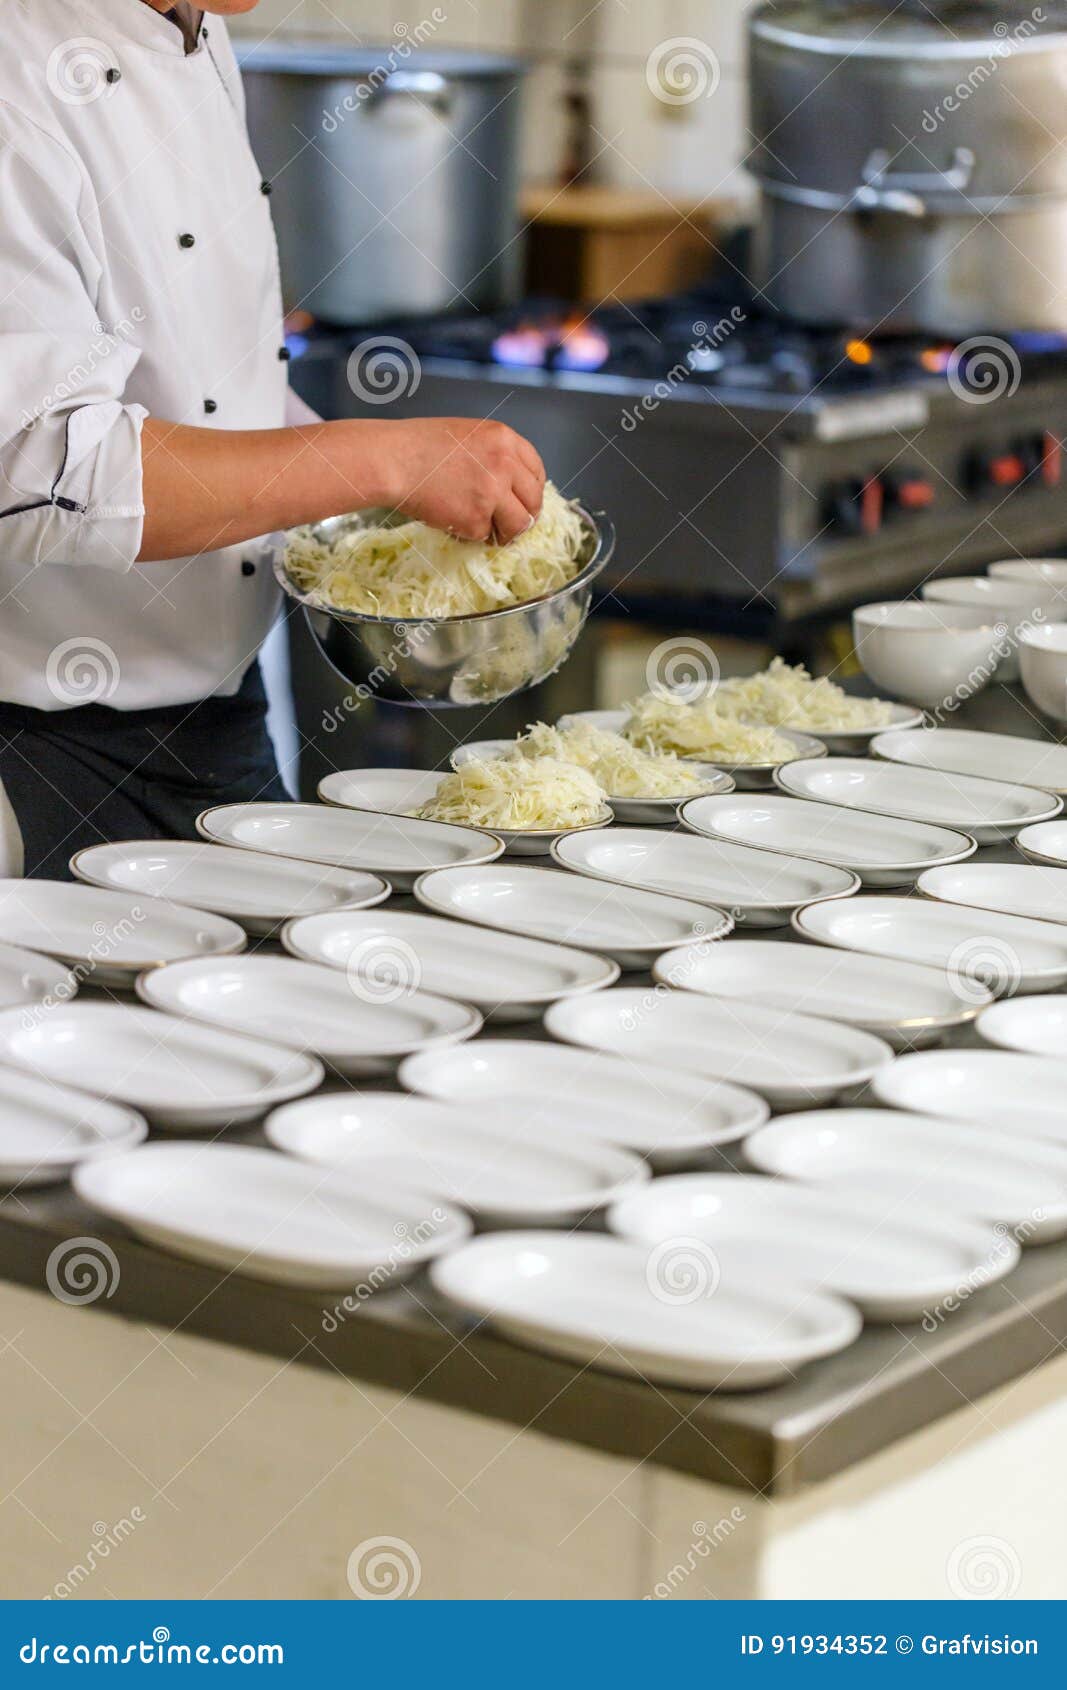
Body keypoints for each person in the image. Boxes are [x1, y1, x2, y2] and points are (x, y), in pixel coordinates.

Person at [0, 0, 545, 879]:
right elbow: (41, 471)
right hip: (46, 758)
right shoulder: (15, 80)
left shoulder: (199, 32)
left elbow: (213, 386)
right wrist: (385, 459)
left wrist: (375, 503)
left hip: (222, 719)